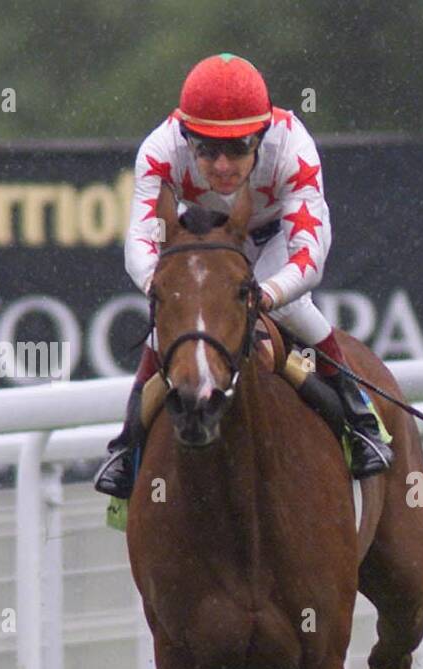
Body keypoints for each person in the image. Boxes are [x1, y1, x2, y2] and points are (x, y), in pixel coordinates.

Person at [95, 52, 393, 498]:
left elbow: (308, 257)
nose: (221, 165)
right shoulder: (159, 151)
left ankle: (359, 415)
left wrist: (266, 295)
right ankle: (126, 444)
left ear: (263, 136)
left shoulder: (293, 145)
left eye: (237, 148)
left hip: (273, 237)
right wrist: (167, 289)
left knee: (294, 305)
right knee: (177, 321)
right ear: (185, 136)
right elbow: (140, 244)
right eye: (206, 149)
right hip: (205, 240)